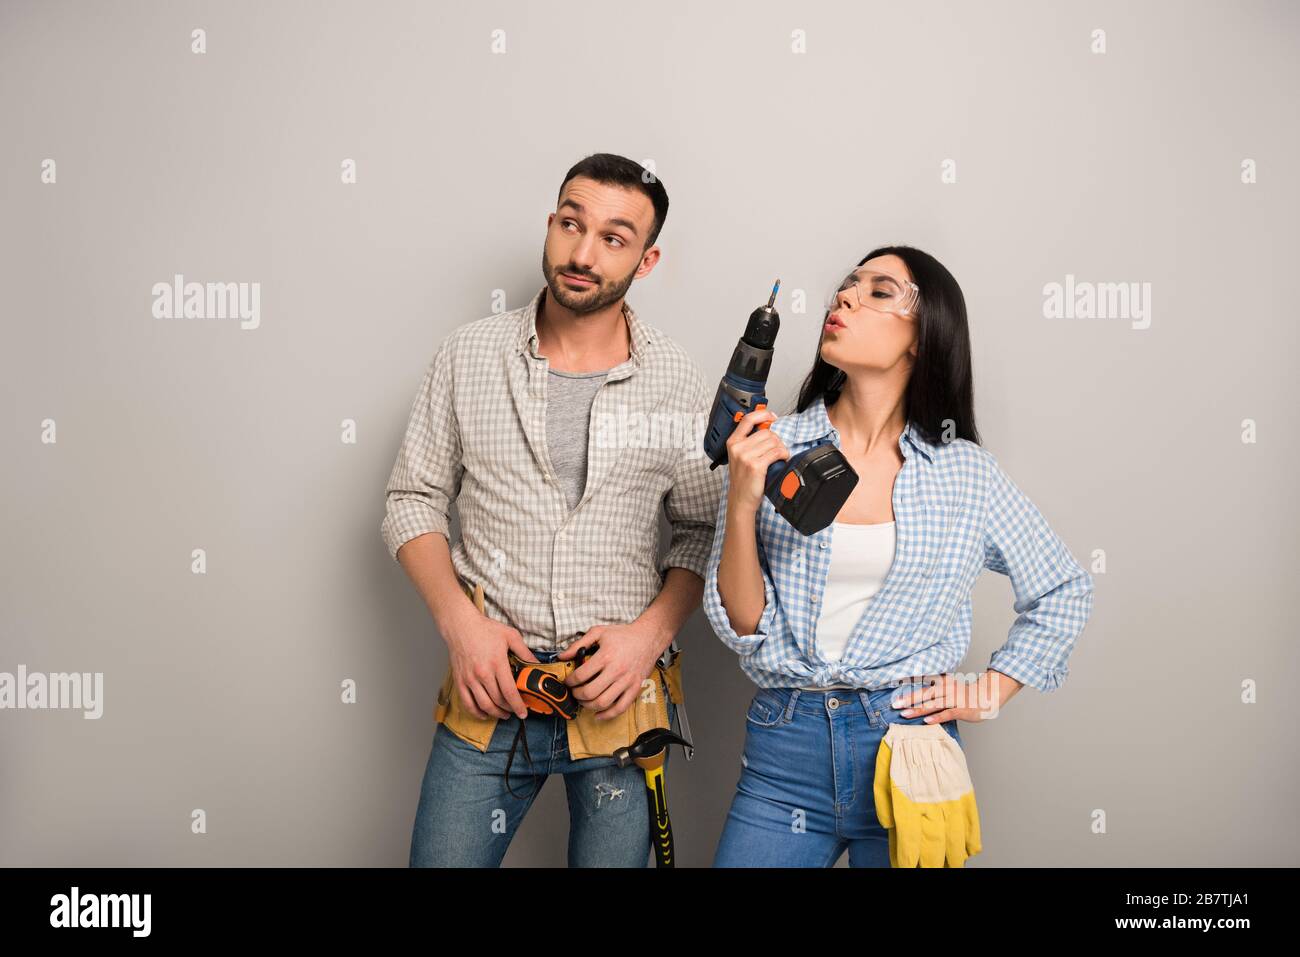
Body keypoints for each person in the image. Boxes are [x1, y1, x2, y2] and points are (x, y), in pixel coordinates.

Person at [703, 244, 1095, 867]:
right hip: (784, 757)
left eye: (878, 291)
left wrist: (990, 690)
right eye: (847, 285)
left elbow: (1063, 588)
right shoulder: (770, 446)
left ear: (923, 336)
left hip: (912, 755)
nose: (844, 297)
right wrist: (744, 500)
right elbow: (745, 625)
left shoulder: (963, 473)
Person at [382, 153, 722, 867]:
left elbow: (697, 532)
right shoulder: (467, 355)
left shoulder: (677, 377)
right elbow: (411, 500)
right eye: (573, 223)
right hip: (489, 691)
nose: (583, 252)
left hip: (620, 699)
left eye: (613, 237)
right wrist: (460, 625)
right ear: (551, 222)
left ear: (647, 258)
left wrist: (648, 638)